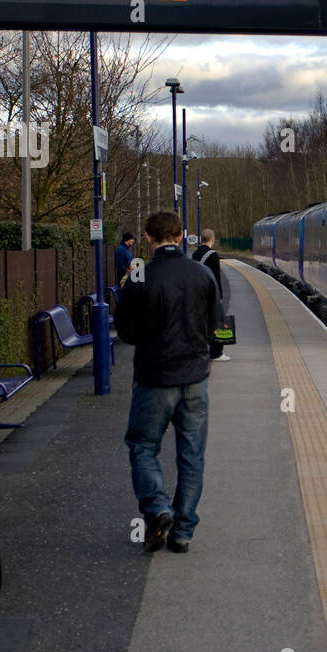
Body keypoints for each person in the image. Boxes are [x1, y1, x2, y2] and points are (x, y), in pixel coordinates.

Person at [114, 211, 220, 554]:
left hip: (154, 378)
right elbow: (219, 333)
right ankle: (183, 532)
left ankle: (158, 507)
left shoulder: (141, 277)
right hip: (194, 380)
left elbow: (127, 333)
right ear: (181, 236)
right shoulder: (203, 273)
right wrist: (206, 352)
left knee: (143, 447)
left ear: (148, 237)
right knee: (192, 456)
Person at [191, 228, 231, 361]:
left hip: (197, 293)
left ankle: (200, 350)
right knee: (216, 322)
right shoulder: (213, 255)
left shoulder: (195, 253)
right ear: (212, 240)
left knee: (199, 322)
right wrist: (219, 296)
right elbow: (215, 277)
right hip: (210, 293)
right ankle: (216, 353)